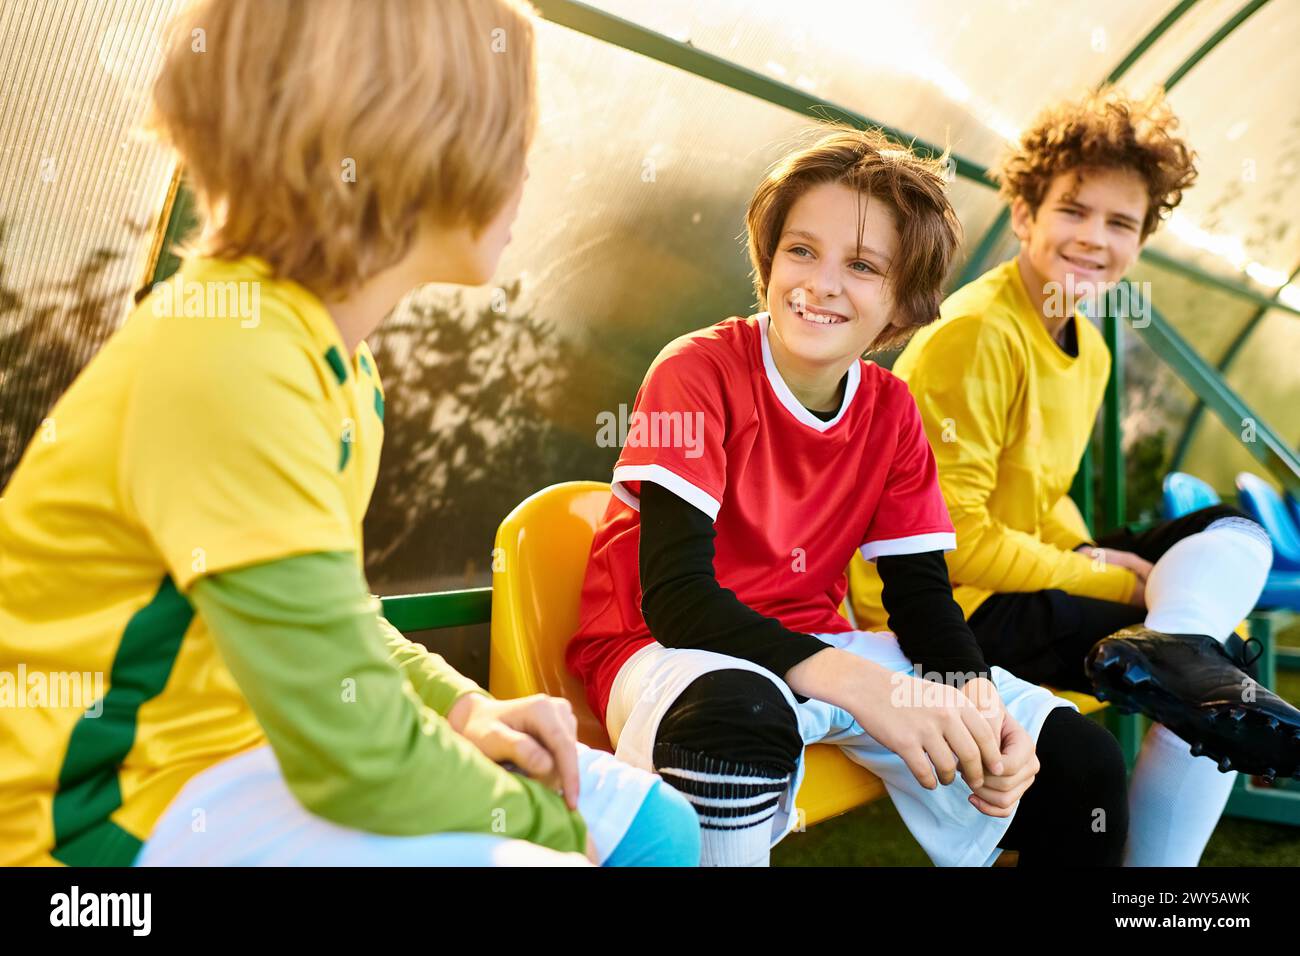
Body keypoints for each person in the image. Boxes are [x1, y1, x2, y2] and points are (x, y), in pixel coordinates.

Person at [0, 0, 697, 868]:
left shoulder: (340, 368)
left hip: (245, 759)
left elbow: (337, 627)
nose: (531, 160)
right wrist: (556, 832)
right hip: (101, 825)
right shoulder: (232, 359)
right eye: (513, 127)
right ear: (410, 139)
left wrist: (464, 711)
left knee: (661, 830)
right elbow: (352, 750)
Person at [567, 125, 1131, 867]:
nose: (821, 282)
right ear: (769, 259)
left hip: (817, 648)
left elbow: (925, 605)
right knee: (740, 713)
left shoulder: (892, 411)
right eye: (801, 250)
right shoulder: (696, 371)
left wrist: (977, 700)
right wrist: (864, 687)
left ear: (901, 305)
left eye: (862, 265)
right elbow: (678, 601)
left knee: (1077, 764)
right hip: (667, 651)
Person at [848, 88, 1300, 866]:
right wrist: (1118, 587)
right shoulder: (977, 333)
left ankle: (1177, 647)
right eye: (1073, 211)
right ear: (1024, 214)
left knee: (1230, 531)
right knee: (1214, 681)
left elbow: (1038, 485)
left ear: (1140, 241)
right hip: (943, 606)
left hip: (1015, 578)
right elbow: (950, 543)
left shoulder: (1086, 346)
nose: (1094, 238)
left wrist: (1090, 550)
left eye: (1120, 223)